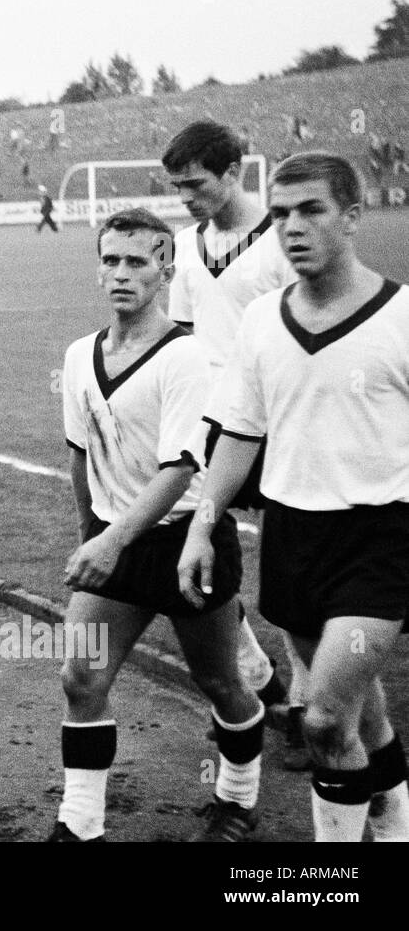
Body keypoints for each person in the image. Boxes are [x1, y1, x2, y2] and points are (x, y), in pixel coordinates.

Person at [178, 153, 409, 842]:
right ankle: (395, 825)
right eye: (280, 214)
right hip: (292, 538)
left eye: (311, 210)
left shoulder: (401, 316)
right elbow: (239, 435)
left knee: (321, 718)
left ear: (353, 216)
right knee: (362, 714)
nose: (292, 227)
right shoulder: (259, 322)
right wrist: (201, 525)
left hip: (380, 542)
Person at [51, 208, 265, 843]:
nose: (121, 273)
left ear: (166, 267)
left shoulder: (187, 357)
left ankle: (237, 798)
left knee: (221, 681)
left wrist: (111, 542)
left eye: (137, 261)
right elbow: (79, 454)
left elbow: (180, 469)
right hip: (116, 543)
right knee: (80, 676)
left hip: (183, 542)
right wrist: (91, 535)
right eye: (110, 260)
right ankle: (80, 823)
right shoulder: (77, 355)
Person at [162, 120, 303, 765]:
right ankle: (257, 674)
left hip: (280, 426)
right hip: (212, 426)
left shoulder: (282, 241)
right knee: (191, 559)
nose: (187, 199)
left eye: (195, 185)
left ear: (234, 171)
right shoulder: (188, 247)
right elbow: (183, 339)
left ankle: (305, 707)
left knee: (294, 579)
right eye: (178, 188)